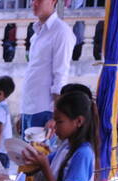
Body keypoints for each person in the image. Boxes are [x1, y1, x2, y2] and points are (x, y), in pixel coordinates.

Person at [22, 0, 70, 134]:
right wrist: (24, 111)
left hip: (45, 110)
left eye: (39, 0)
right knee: (25, 153)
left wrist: (56, 116)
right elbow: (34, 72)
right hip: (30, 107)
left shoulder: (61, 32)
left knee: (40, 153)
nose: (34, 3)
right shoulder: (37, 32)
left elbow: (60, 76)